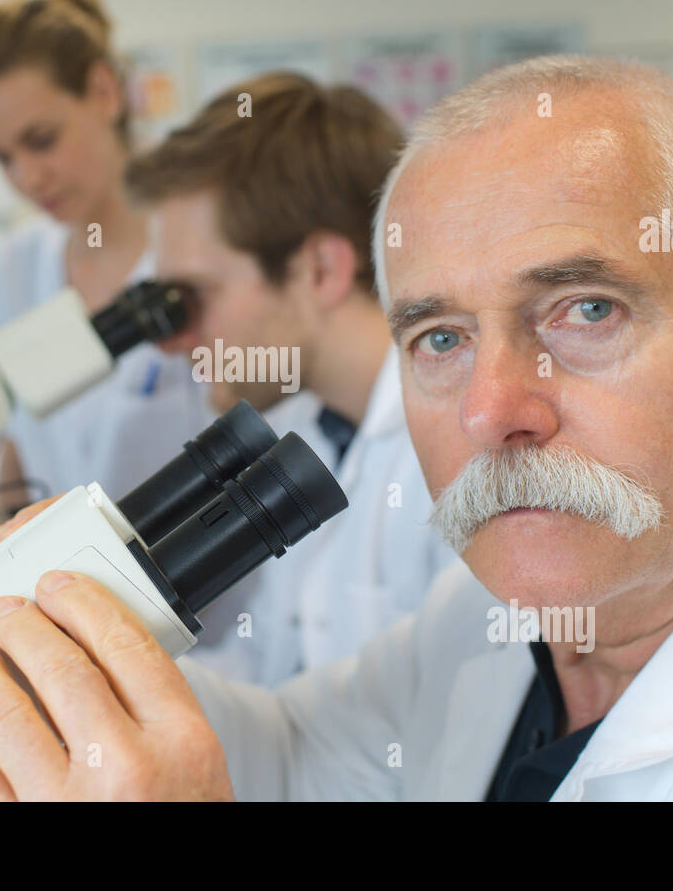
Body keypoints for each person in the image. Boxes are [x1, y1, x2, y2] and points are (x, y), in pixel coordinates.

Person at [0, 55, 673, 800]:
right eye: (440, 338)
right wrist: (74, 647)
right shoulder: (492, 617)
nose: (490, 412)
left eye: (586, 311)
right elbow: (299, 754)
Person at [122, 72, 456, 686]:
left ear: (321, 269)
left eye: (193, 295)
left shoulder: (458, 457)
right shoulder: (303, 428)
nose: (174, 339)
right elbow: (268, 673)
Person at [0, 0, 212, 510]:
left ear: (103, 91)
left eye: (42, 140)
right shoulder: (21, 265)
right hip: (59, 583)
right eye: (2, 157)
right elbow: (18, 440)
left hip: (210, 587)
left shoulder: (204, 246)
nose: (27, 177)